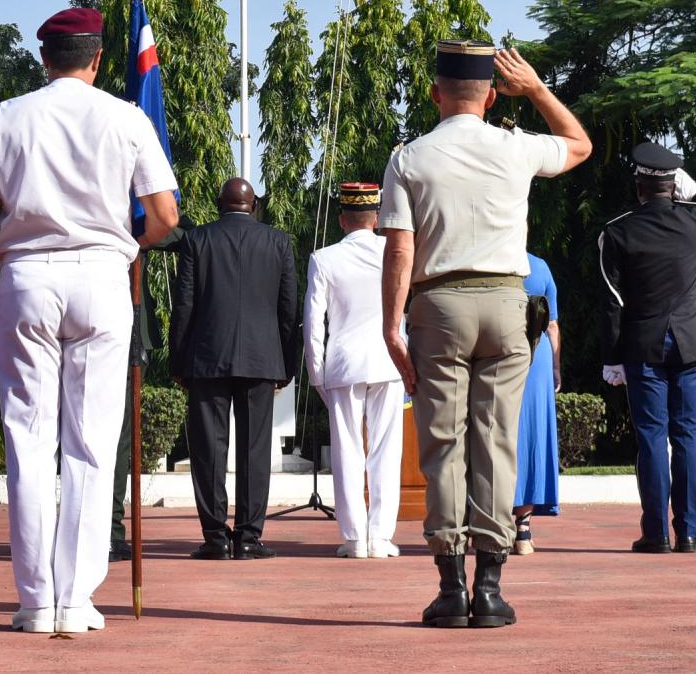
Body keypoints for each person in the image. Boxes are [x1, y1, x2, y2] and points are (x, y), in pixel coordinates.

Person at [0, 6, 179, 635]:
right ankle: (77, 598)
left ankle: (35, 600)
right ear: (98, 60)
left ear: (43, 59)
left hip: (27, 277)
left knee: (28, 442)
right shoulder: (126, 117)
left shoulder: (9, 115)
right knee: (91, 443)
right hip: (102, 276)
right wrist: (126, 245)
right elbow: (163, 217)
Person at [379, 41, 591, 630]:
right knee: (496, 442)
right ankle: (491, 590)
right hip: (505, 301)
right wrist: (540, 90)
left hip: (438, 304)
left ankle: (450, 590)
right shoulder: (515, 146)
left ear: (434, 93)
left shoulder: (410, 158)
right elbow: (580, 145)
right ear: (493, 95)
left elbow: (399, 248)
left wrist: (392, 326)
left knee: (443, 444)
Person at [597, 141, 696, 555]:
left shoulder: (617, 231)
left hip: (643, 346)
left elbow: (613, 303)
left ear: (640, 185)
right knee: (687, 435)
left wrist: (611, 359)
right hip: (693, 342)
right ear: (674, 185)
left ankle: (656, 533)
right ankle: (690, 533)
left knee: (651, 437)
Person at [171, 177, 299, 561]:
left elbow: (184, 307)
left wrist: (178, 361)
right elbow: (288, 309)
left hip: (207, 357)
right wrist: (286, 362)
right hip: (261, 358)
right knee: (255, 450)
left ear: (217, 203)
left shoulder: (196, 241)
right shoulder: (279, 242)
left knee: (209, 451)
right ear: (254, 204)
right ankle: (248, 538)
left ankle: (214, 538)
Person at [304, 182, 403, 559]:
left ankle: (354, 538)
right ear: (376, 218)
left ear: (343, 220)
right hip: (389, 359)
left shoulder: (324, 258)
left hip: (343, 363)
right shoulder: (395, 252)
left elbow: (314, 324)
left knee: (347, 450)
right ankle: (380, 536)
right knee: (385, 450)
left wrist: (317, 374)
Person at [110, 215, 191, 562]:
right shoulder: (124, 211)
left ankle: (100, 531)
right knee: (117, 441)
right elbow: (175, 232)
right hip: (116, 329)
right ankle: (108, 532)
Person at [512, 253, 560, 556]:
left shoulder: (489, 258)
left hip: (498, 353)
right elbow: (551, 324)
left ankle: (489, 521)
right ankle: (523, 531)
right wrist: (556, 367)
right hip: (537, 355)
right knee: (531, 438)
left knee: (497, 434)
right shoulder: (540, 266)